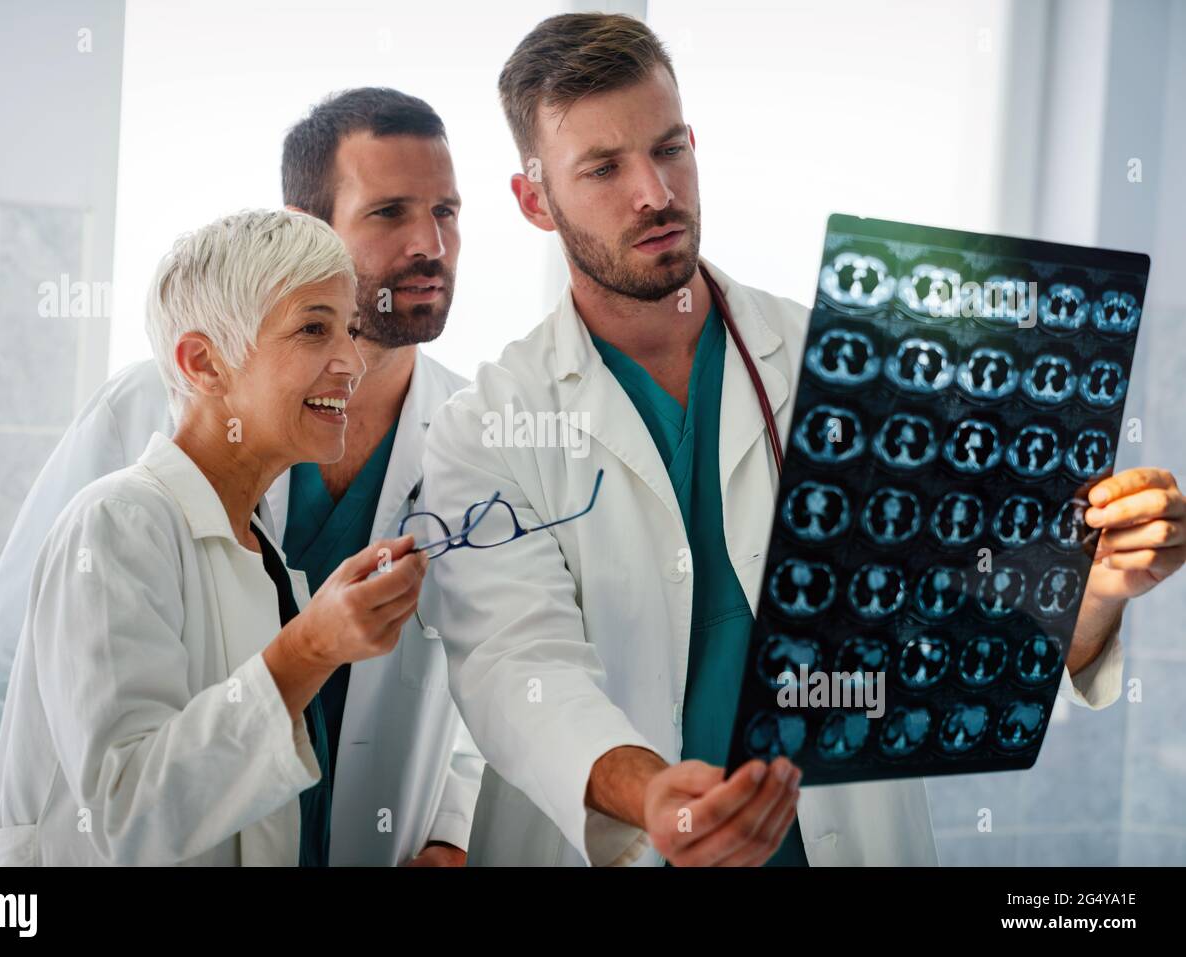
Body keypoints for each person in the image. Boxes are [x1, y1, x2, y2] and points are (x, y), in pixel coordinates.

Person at [419, 13, 1186, 866]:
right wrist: (648, 793)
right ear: (534, 201)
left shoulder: (855, 370)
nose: (654, 192)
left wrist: (1098, 590)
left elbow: (966, 631)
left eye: (670, 149)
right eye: (602, 168)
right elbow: (516, 669)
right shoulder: (484, 427)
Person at [0, 89, 480, 866]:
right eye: (389, 212)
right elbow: (32, 681)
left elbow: (488, 686)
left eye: (447, 211)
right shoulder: (127, 471)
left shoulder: (470, 433)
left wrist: (451, 833)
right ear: (304, 226)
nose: (430, 243)